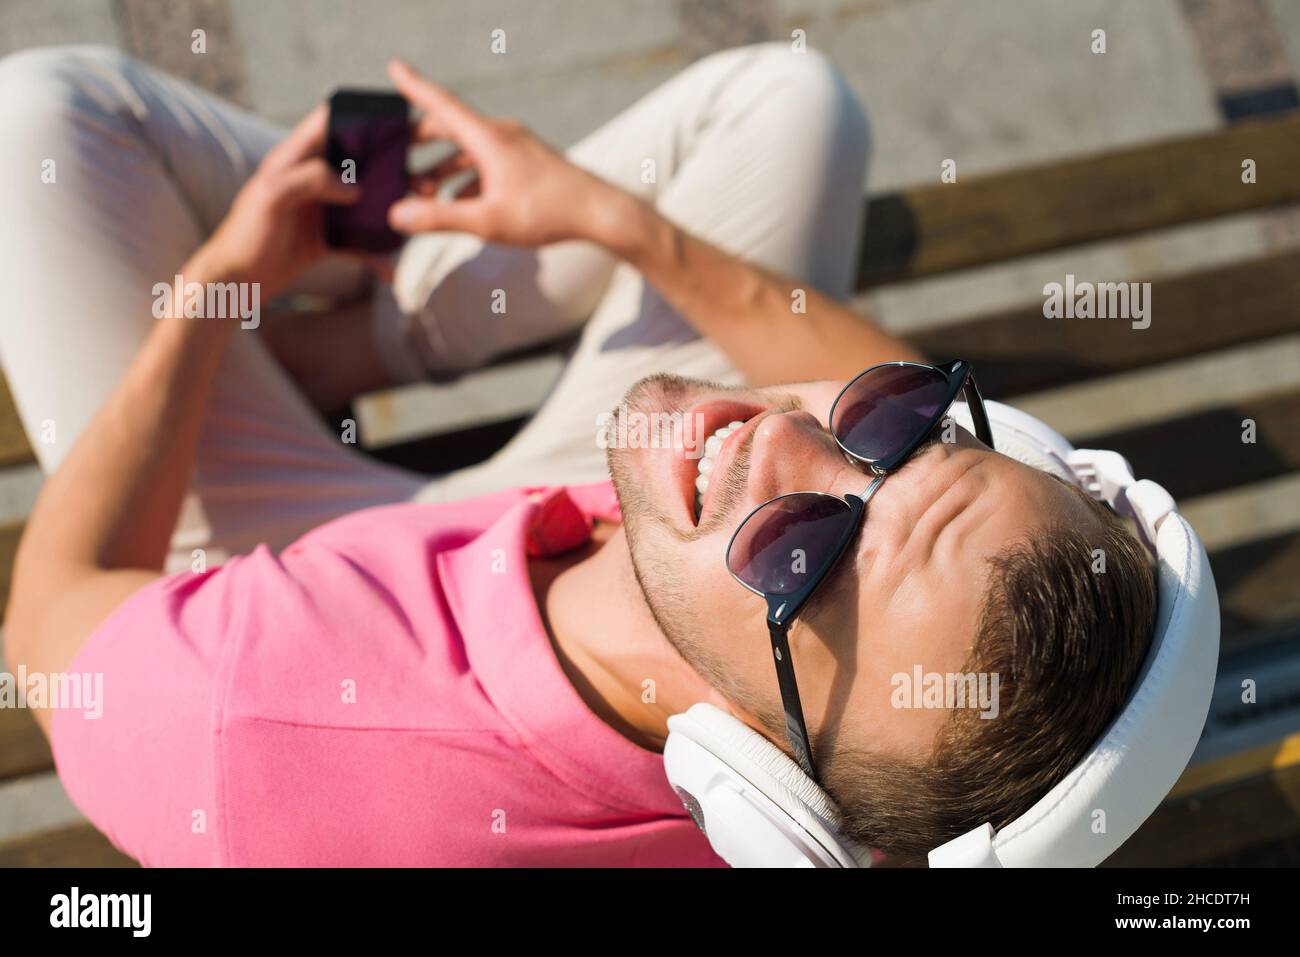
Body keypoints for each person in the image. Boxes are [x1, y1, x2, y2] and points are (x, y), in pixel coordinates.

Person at [0, 43, 1155, 866]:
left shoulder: (246, 718)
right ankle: (367, 341)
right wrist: (609, 219)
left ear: (760, 778)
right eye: (899, 427)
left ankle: (348, 310)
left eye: (808, 553)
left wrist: (214, 293)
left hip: (298, 578)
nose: (788, 435)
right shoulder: (856, 714)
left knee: (47, 114)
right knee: (787, 100)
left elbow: (48, 632)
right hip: (640, 539)